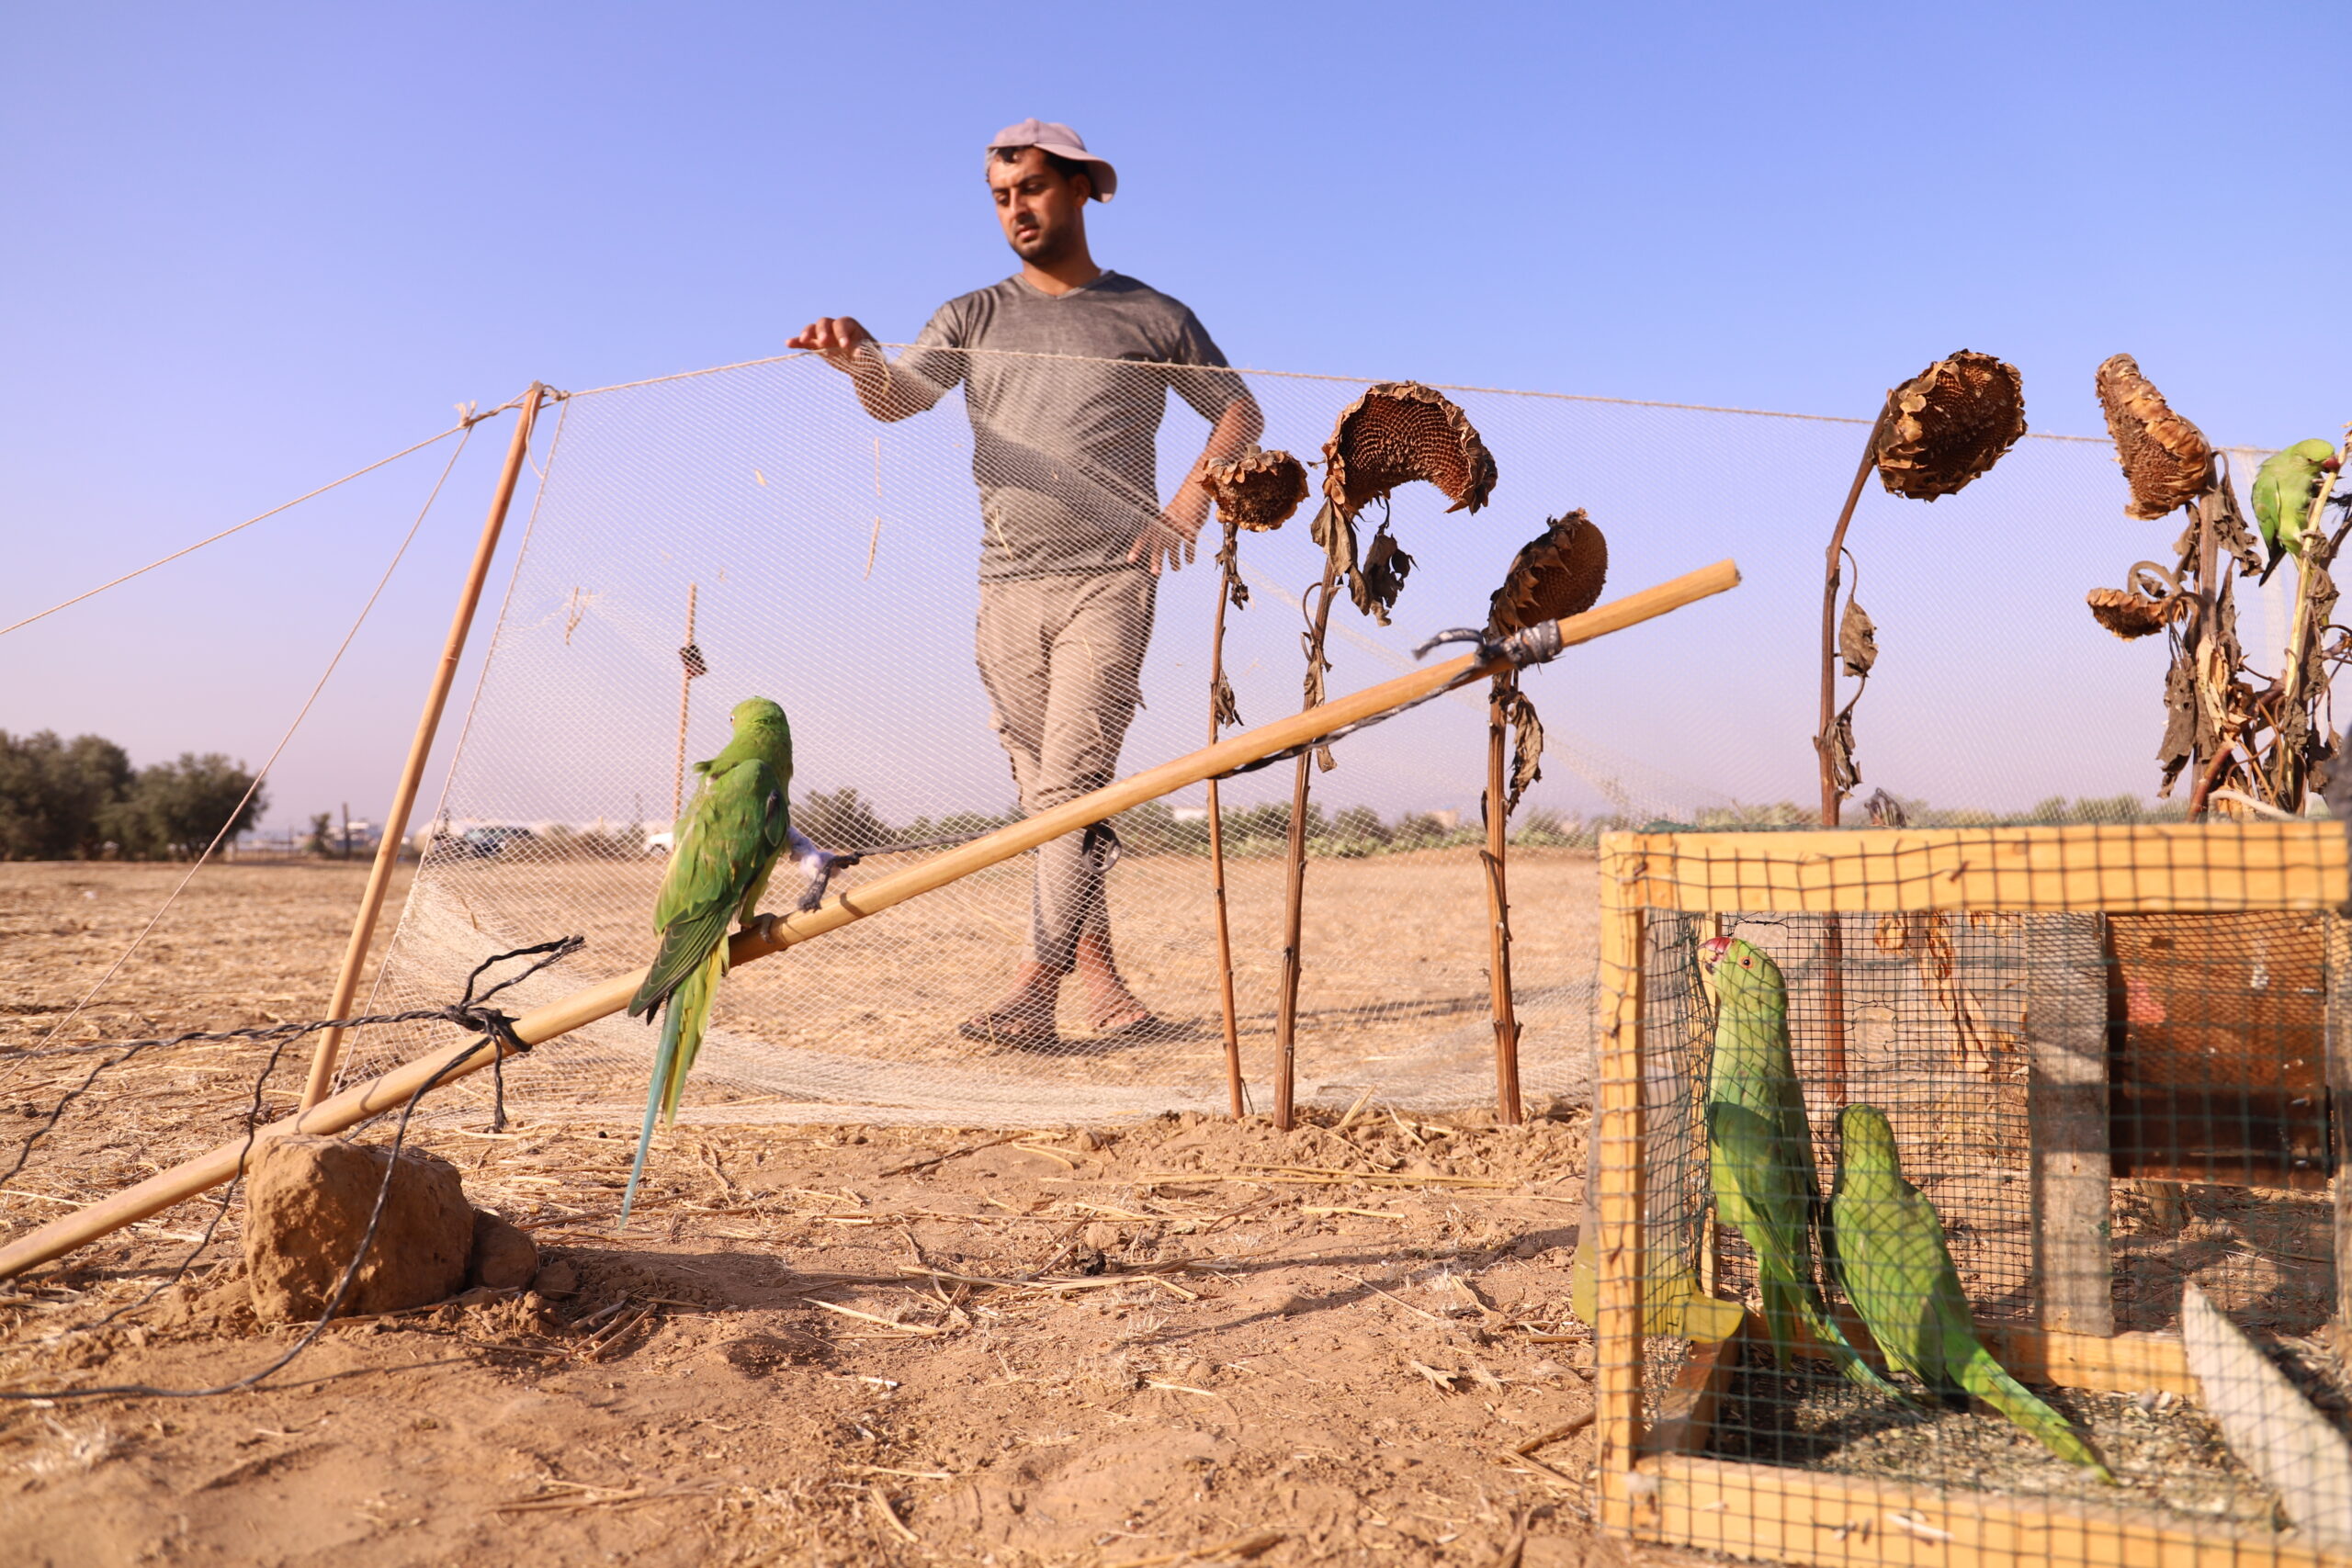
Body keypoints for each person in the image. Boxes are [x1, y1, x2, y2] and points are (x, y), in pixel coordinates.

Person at [790, 118, 1262, 1050]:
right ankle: (1107, 990)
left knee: (1076, 782)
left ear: (1083, 188)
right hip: (1005, 587)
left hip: (1109, 580)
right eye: (1001, 198)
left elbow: (1237, 409)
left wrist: (1187, 508)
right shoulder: (972, 314)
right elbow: (898, 399)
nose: (1017, 211)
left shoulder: (1152, 315)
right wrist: (856, 361)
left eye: (1034, 190)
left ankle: (1031, 988)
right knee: (1048, 799)